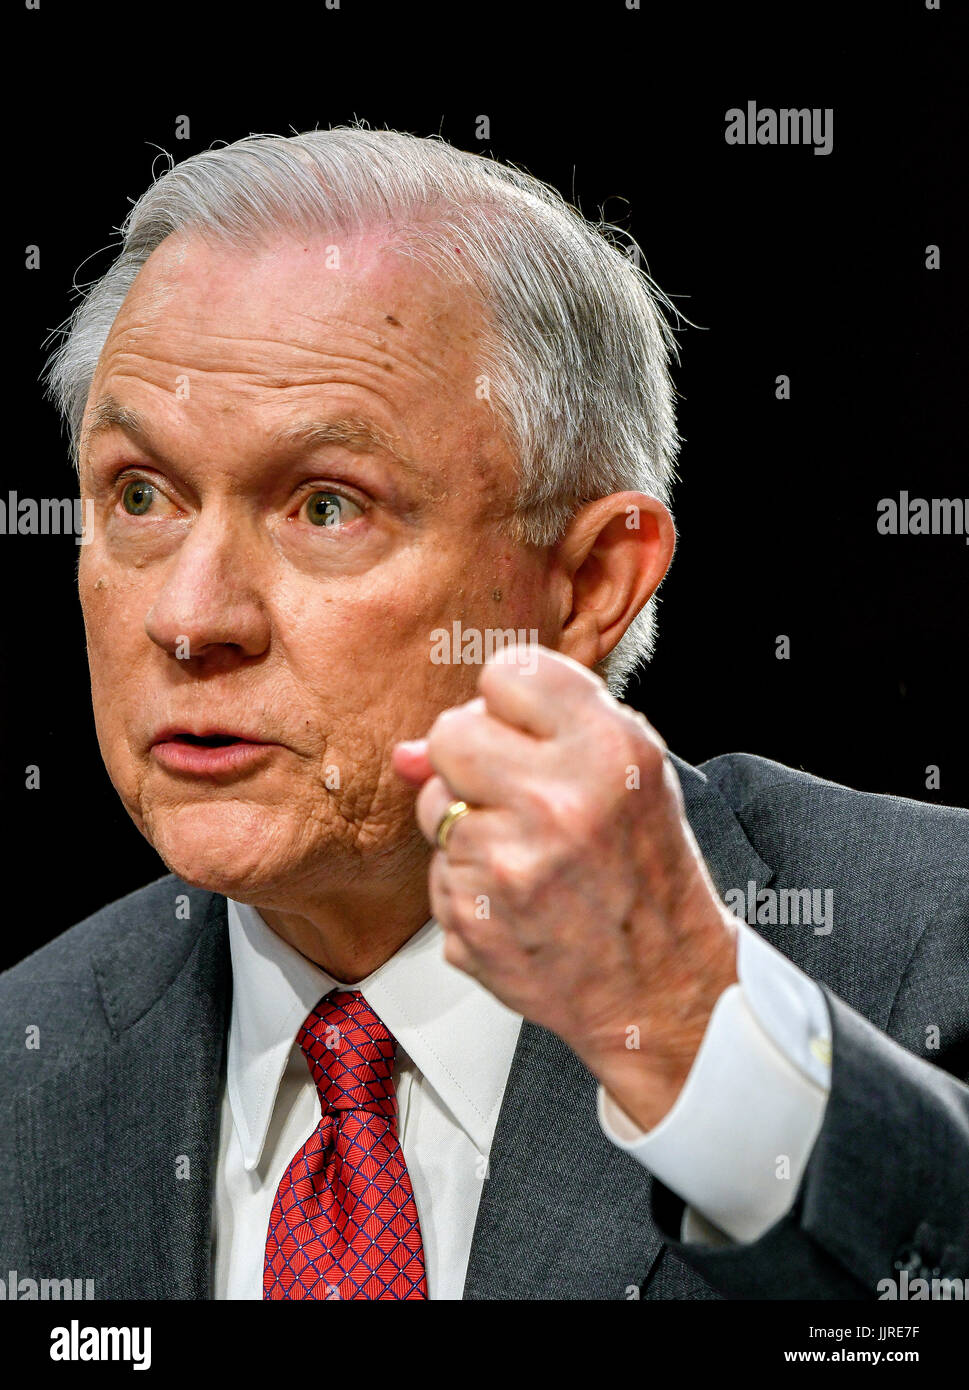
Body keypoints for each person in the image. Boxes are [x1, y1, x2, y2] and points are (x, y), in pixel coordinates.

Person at [2, 127, 966, 1300]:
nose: (192, 618)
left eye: (325, 506)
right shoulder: (21, 1061)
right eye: (140, 494)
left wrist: (688, 1032)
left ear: (587, 585)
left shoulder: (927, 943)